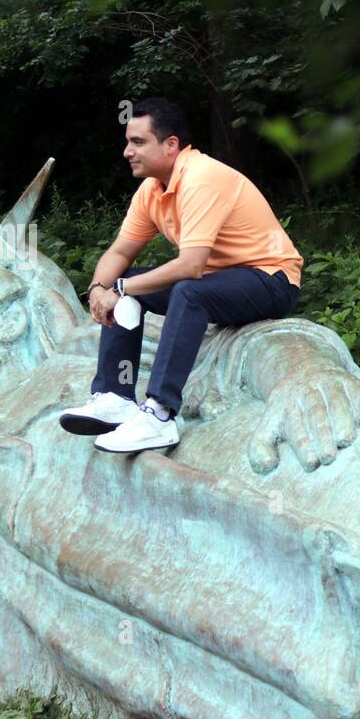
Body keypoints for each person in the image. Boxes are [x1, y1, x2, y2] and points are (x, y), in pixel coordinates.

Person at [60, 97, 305, 454]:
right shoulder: (151, 191)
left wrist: (121, 286)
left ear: (171, 144)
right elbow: (120, 252)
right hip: (220, 281)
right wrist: (101, 288)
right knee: (129, 290)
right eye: (128, 141)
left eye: (138, 142)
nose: (127, 151)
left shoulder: (201, 178)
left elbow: (190, 266)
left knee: (186, 291)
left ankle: (159, 415)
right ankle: (116, 396)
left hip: (271, 280)